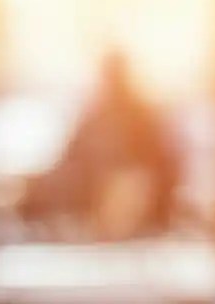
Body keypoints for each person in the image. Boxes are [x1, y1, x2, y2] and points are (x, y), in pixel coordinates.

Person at [25, 51, 180, 239]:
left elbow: (163, 170)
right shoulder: (94, 119)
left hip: (140, 226)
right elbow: (68, 162)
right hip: (94, 223)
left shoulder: (143, 119)